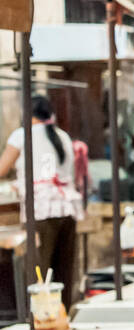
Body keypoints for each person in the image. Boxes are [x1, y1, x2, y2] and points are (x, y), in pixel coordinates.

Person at [0, 96, 84, 310]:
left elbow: (1, 169)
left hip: (41, 211)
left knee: (39, 268)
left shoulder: (21, 135)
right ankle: (62, 313)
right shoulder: (62, 135)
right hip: (67, 208)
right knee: (63, 268)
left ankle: (41, 316)